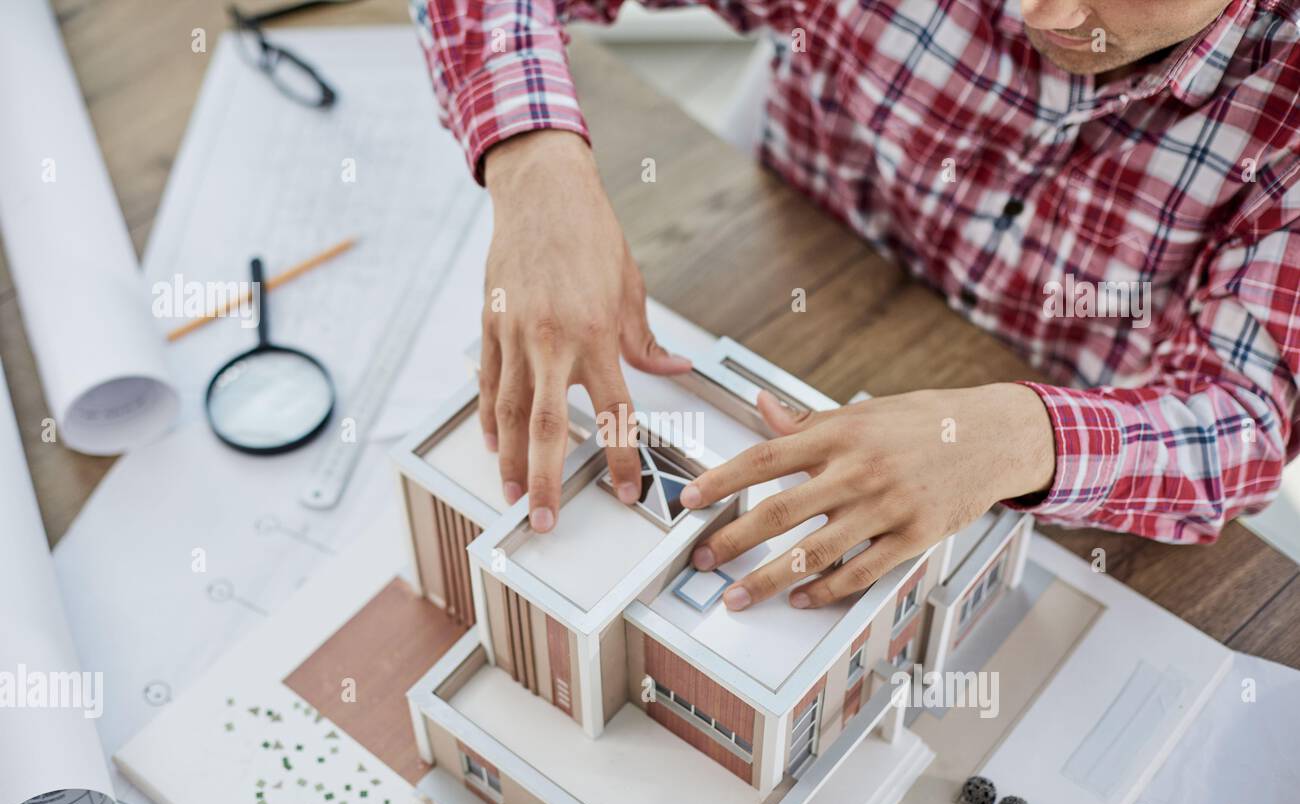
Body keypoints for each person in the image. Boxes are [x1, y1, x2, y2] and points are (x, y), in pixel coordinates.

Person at [408, 0, 1300, 611]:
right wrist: (532, 165)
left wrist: (1023, 441)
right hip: (786, 261)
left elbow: (1248, 419)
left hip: (1061, 412)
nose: (1044, 15)